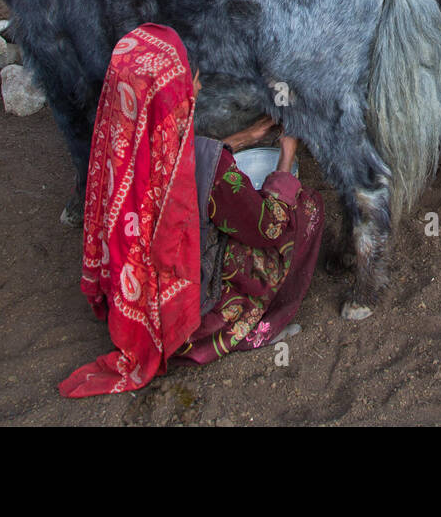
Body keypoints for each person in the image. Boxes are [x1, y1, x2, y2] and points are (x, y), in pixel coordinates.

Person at [60, 24, 322, 398]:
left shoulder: (117, 154)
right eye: (192, 80)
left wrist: (241, 139)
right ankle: (262, 326)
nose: (196, 89)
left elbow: (186, 152)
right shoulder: (211, 166)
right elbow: (266, 226)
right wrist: (288, 155)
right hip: (185, 318)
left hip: (136, 306)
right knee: (305, 208)